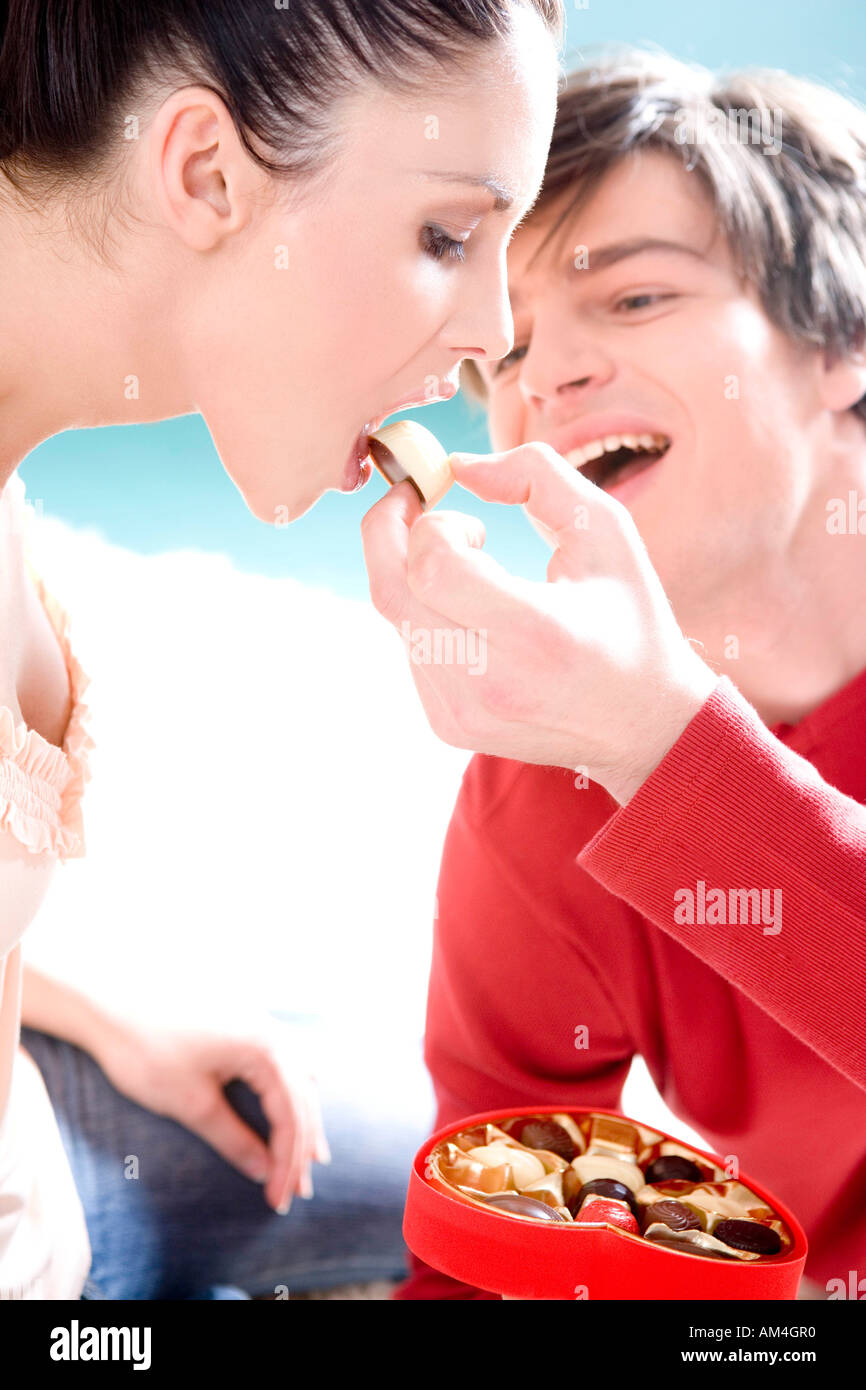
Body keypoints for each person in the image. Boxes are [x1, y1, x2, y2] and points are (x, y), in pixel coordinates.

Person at [0, 0, 564, 1299]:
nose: (494, 335)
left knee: (504, 1165)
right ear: (202, 170)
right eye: (445, 233)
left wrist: (99, 1013)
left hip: (66, 1150)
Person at [361, 49, 866, 1299]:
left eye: (634, 299)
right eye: (503, 352)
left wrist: (662, 749)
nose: (542, 379)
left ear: (841, 346)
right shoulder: (550, 776)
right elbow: (489, 1227)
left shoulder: (626, 737)